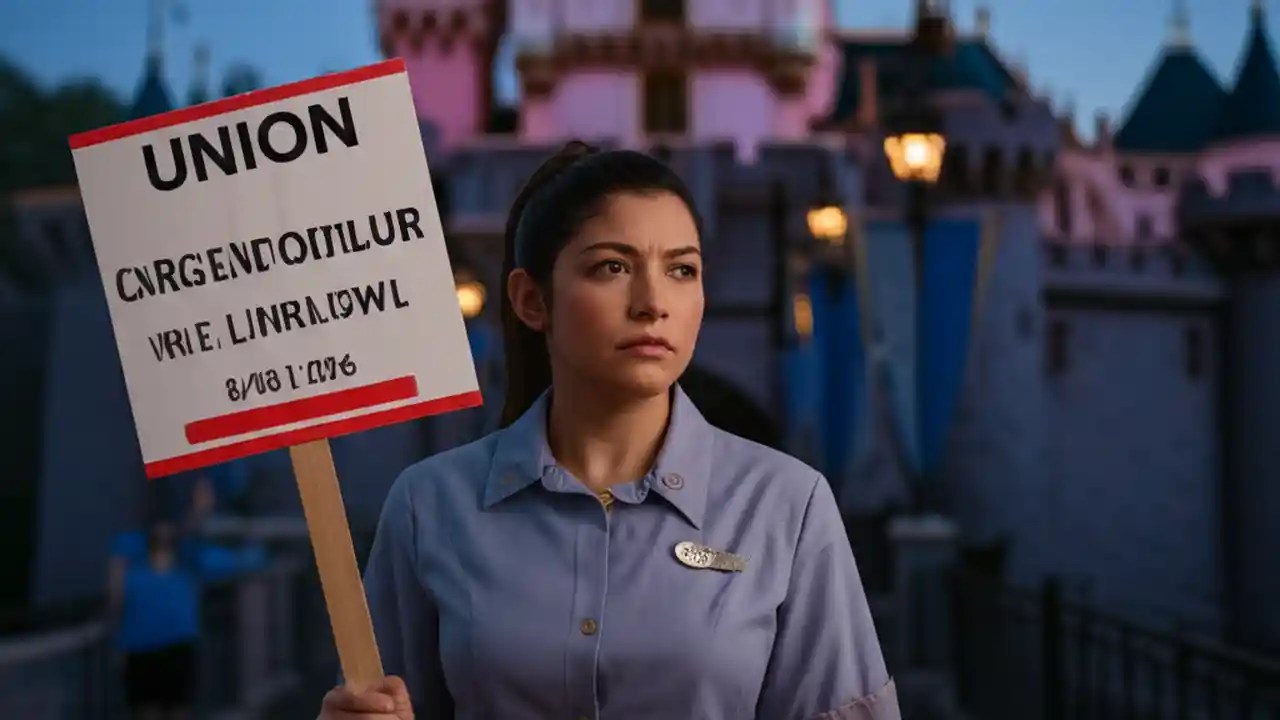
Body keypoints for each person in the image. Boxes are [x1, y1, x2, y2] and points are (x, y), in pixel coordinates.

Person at [319, 141, 898, 719]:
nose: (652, 303)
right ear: (531, 299)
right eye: (612, 268)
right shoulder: (429, 506)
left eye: (681, 270)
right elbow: (381, 701)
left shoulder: (786, 506)